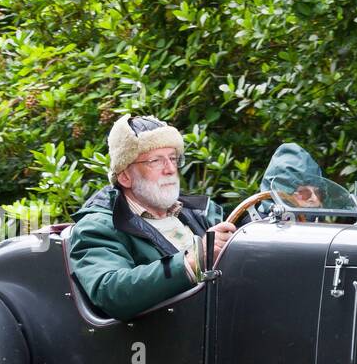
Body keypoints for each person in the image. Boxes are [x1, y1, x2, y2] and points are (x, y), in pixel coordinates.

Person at [69, 114, 236, 321]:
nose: (170, 169)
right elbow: (110, 292)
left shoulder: (202, 211)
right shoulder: (98, 226)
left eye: (173, 158)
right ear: (125, 176)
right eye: (155, 161)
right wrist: (192, 261)